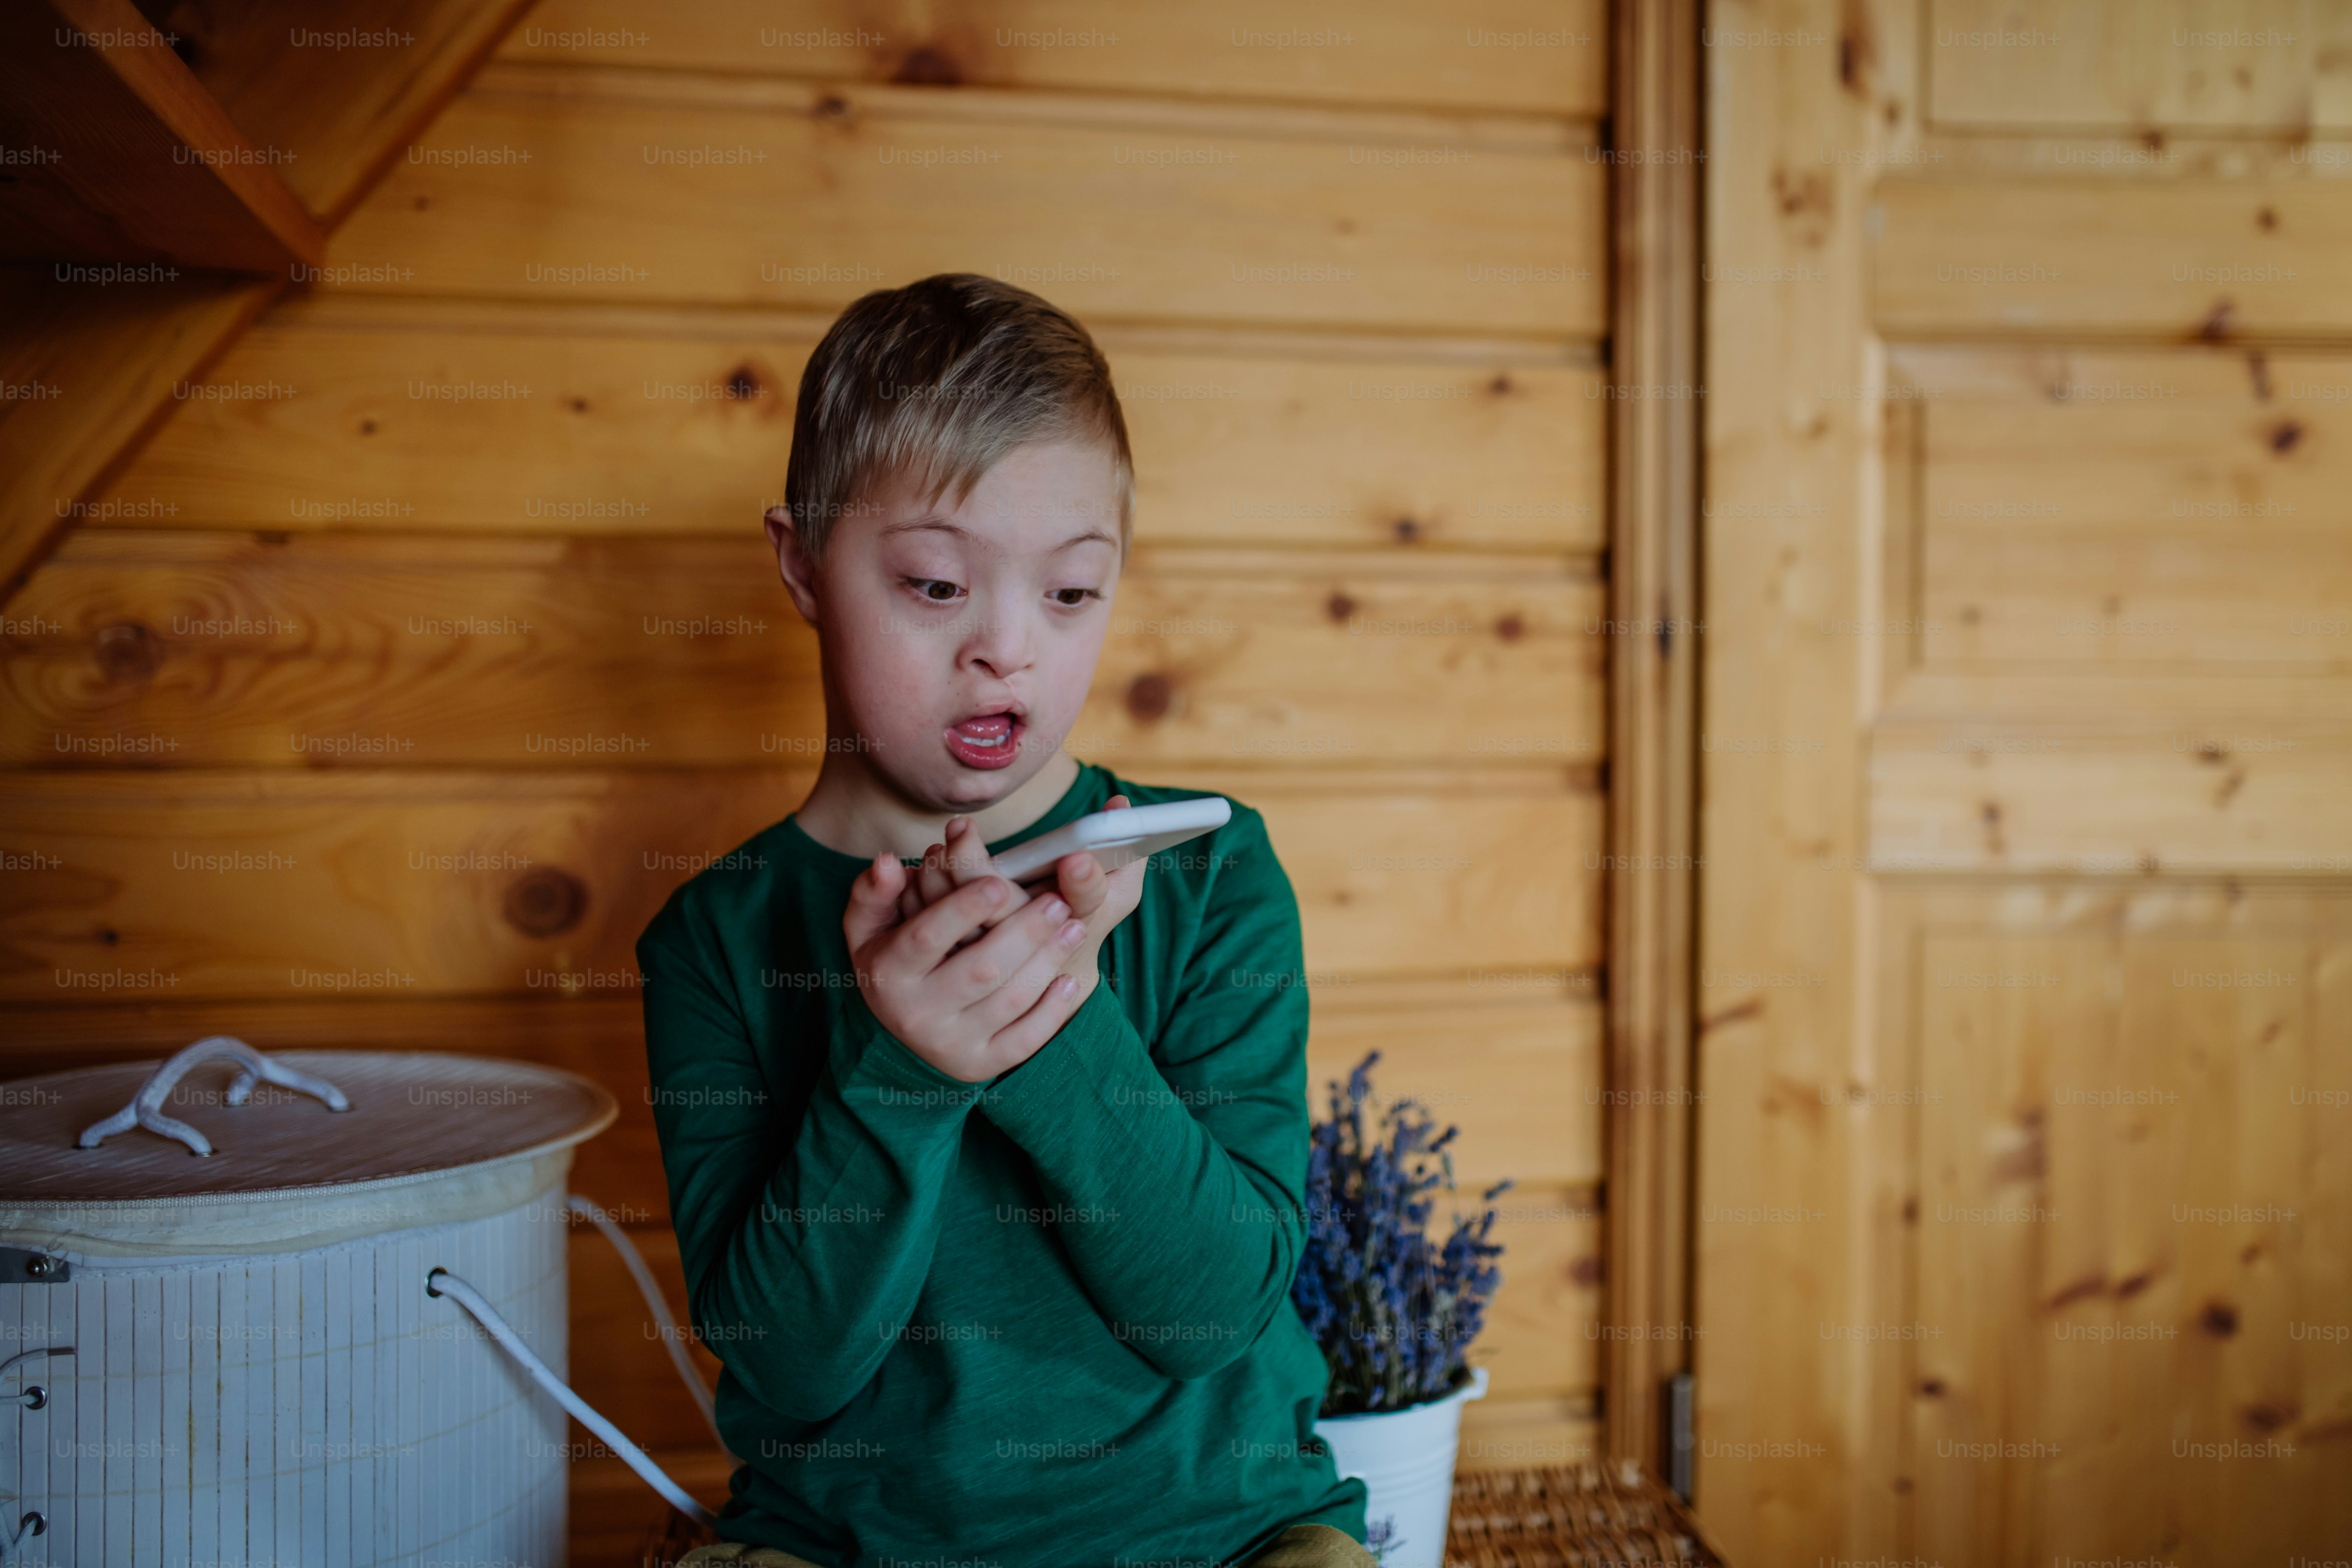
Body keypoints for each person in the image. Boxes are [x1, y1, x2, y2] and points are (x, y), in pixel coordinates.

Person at [638, 273, 1374, 1568]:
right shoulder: (715, 940)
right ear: (803, 564)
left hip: (1220, 1543)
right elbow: (786, 1366)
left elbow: (1211, 1315)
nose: (1007, 649)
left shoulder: (1211, 877)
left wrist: (1055, 1022)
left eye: (1070, 593)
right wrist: (902, 1069)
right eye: (936, 585)